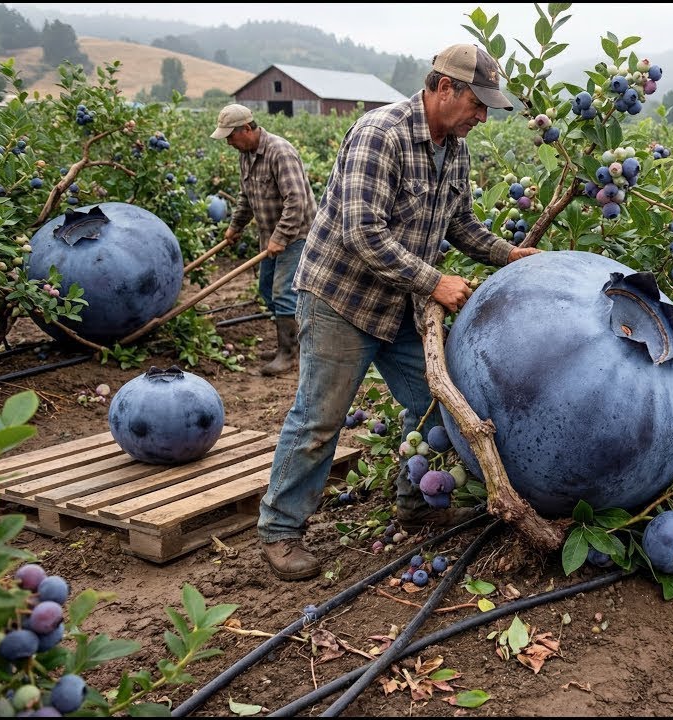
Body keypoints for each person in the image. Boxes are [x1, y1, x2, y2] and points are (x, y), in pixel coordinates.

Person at [257, 43, 541, 580]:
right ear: (442, 88)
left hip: (400, 304)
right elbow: (361, 232)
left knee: (436, 403)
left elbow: (460, 224)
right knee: (320, 420)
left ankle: (413, 504)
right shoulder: (379, 134)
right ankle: (279, 530)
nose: (482, 115)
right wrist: (435, 281)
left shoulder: (454, 148)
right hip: (341, 300)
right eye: (477, 103)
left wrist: (508, 254)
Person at [211, 104, 316, 376]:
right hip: (270, 236)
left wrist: (281, 237)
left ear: (246, 129)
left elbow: (297, 201)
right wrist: (235, 227)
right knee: (267, 291)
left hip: (297, 235)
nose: (228, 143)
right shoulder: (245, 155)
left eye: (230, 136)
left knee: (283, 293)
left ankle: (288, 354)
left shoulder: (280, 152)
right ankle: (292, 343)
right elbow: (246, 197)